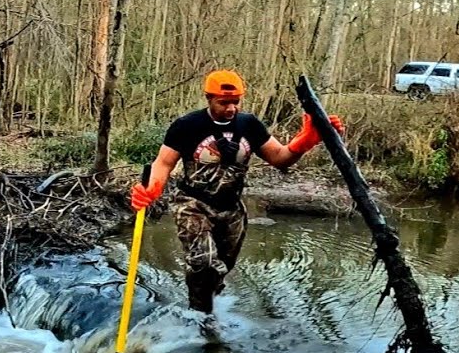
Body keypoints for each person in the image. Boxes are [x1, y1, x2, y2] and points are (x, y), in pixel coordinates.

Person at [130, 69, 344, 321]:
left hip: (232, 209)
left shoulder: (249, 124)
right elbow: (163, 163)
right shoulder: (187, 125)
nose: (231, 108)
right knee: (204, 263)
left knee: (220, 270)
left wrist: (304, 142)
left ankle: (206, 312)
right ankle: (199, 317)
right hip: (194, 204)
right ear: (209, 98)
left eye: (235, 102)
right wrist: (152, 188)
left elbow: (280, 158)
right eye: (224, 102)